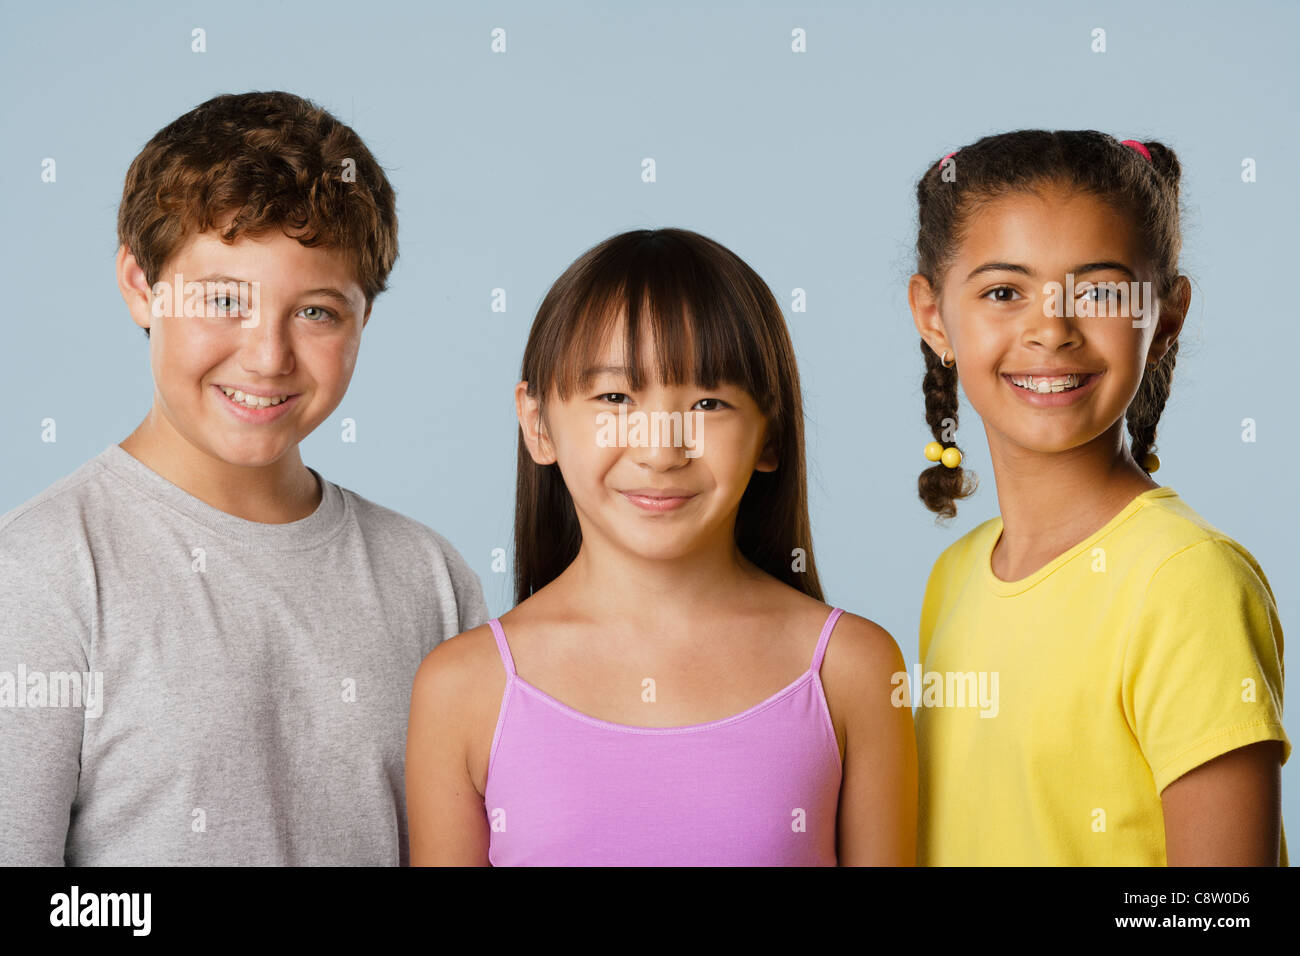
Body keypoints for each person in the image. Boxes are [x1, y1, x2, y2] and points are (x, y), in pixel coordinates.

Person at [0, 91, 488, 865]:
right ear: (140, 286)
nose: (268, 357)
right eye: (224, 300)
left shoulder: (429, 578)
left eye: (317, 313)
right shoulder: (40, 578)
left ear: (364, 317)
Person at [407, 227, 916, 865]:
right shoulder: (461, 687)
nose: (660, 450)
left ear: (770, 438)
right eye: (615, 397)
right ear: (538, 426)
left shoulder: (853, 670)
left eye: (707, 402)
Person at [908, 129, 1289, 865]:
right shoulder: (953, 577)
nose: (1051, 330)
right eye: (1002, 292)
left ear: (1167, 315)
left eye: (1102, 292)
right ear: (932, 317)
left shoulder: (1185, 580)